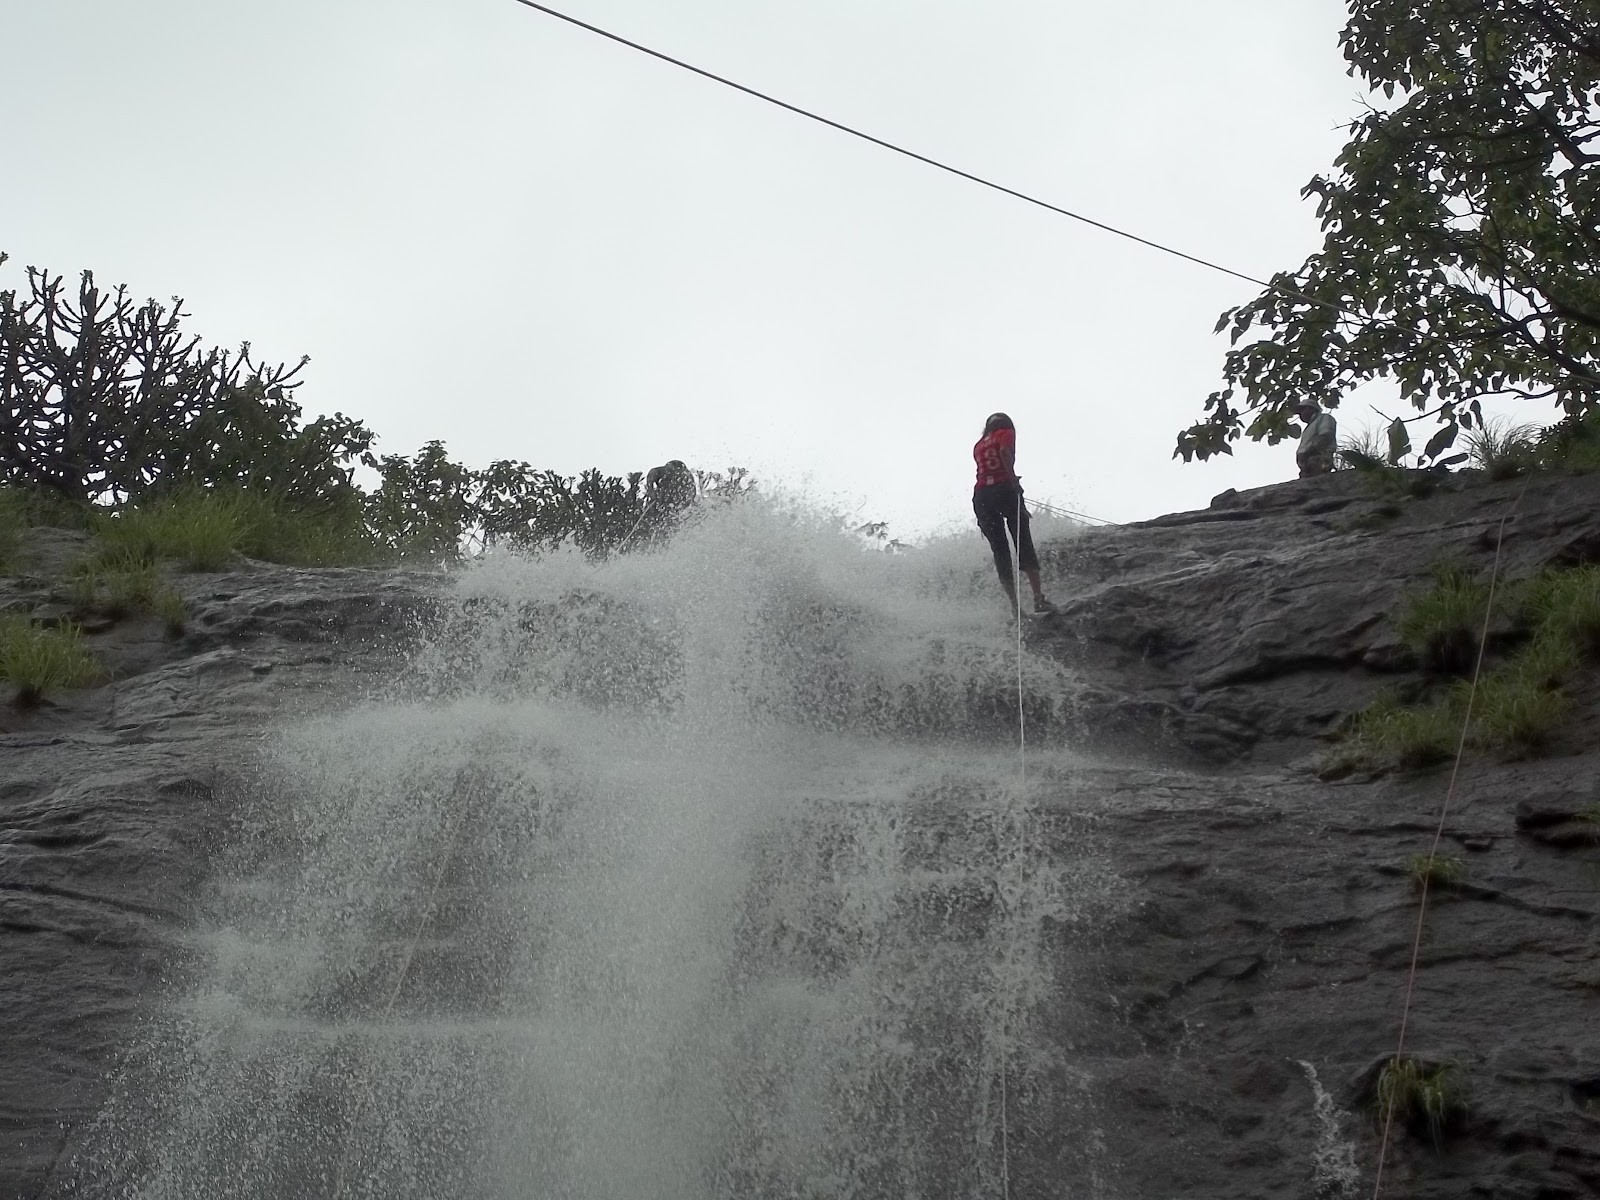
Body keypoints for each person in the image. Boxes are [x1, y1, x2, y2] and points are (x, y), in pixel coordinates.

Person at [972, 413, 1055, 614]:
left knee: (1000, 550)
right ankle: (1038, 599)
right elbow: (1004, 453)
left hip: (982, 495)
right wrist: (1014, 482)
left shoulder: (979, 444)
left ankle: (1014, 606)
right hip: (1005, 489)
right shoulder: (1006, 433)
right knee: (1023, 540)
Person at [635, 459, 697, 544]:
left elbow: (653, 472)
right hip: (671, 506)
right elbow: (692, 495)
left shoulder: (676, 472)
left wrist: (651, 491)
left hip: (673, 507)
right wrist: (652, 491)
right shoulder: (684, 475)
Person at [1295, 402, 1338, 477]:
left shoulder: (1324, 418)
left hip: (1318, 458)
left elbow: (1326, 435)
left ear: (1311, 408)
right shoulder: (1307, 428)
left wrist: (1310, 451)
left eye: (1302, 410)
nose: (1300, 414)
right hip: (1305, 464)